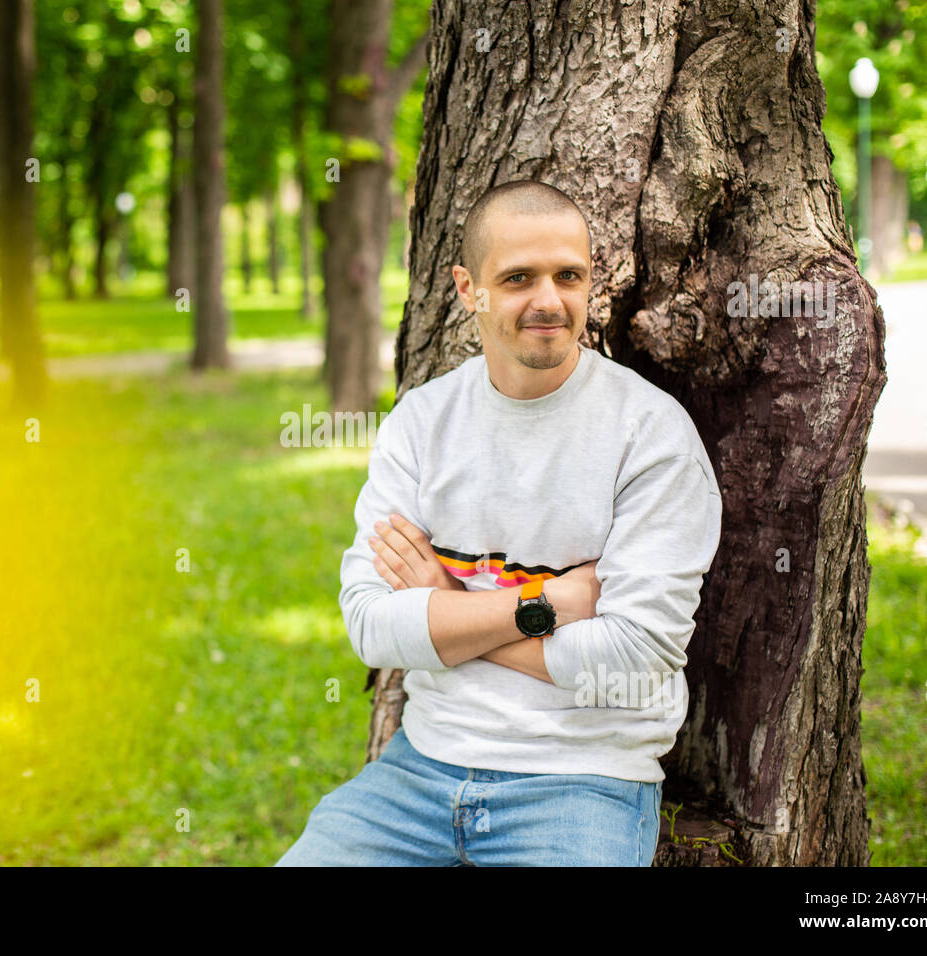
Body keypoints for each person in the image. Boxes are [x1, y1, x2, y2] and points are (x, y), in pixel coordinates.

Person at [275, 179, 722, 866]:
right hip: (418, 772)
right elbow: (370, 625)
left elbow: (633, 661)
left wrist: (450, 610)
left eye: (567, 275)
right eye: (518, 278)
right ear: (467, 288)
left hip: (582, 783)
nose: (548, 301)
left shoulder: (650, 435)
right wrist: (545, 606)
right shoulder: (422, 424)